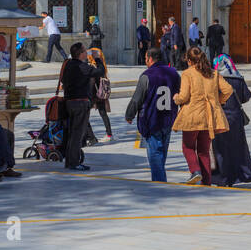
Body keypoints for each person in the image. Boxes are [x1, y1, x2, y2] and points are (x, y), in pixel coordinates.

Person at [172, 45, 231, 186]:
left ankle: (195, 171)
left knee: (188, 146)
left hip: (192, 115)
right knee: (204, 151)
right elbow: (228, 89)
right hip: (209, 116)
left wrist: (176, 98)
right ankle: (207, 181)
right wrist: (218, 101)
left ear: (190, 61)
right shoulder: (213, 73)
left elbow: (184, 96)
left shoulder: (187, 74)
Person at [126, 46, 181, 182]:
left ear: (150, 59)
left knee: (155, 153)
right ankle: (160, 177)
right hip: (169, 117)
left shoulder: (147, 75)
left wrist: (129, 114)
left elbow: (137, 98)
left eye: (145, 58)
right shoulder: (174, 73)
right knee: (162, 152)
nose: (145, 61)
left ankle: (159, 182)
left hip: (152, 118)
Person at [212, 55, 251, 187]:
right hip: (236, 119)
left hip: (219, 118)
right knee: (237, 148)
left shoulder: (214, 79)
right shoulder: (238, 78)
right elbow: (246, 96)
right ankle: (241, 175)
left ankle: (223, 178)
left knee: (220, 149)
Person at [61, 43, 97, 172]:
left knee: (72, 133)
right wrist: (97, 58)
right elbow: (100, 71)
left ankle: (70, 161)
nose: (86, 53)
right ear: (81, 53)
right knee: (78, 134)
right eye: (85, 51)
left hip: (69, 102)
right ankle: (74, 162)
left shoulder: (68, 65)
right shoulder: (82, 66)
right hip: (80, 102)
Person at [88, 47, 113, 142]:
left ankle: (90, 137)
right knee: (103, 113)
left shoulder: (93, 67)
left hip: (94, 95)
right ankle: (109, 134)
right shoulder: (102, 66)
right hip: (100, 94)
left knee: (85, 116)